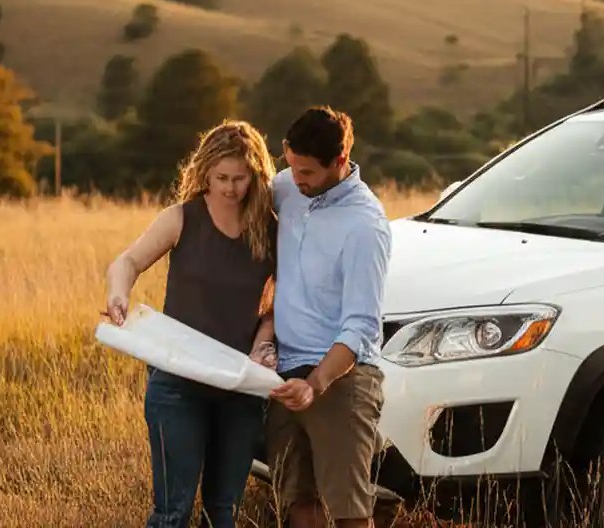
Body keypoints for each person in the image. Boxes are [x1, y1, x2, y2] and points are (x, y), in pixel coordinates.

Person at [104, 119, 280, 528]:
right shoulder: (181, 218)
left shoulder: (271, 228)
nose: (231, 188)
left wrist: (263, 342)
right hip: (177, 384)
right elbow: (127, 262)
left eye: (240, 178)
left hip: (239, 384)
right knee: (172, 512)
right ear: (205, 172)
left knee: (223, 513)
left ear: (256, 175)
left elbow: (275, 306)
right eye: (221, 178)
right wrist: (118, 293)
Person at [263, 106, 392, 528]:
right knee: (297, 505)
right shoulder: (288, 186)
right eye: (292, 166)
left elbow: (361, 327)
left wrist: (315, 383)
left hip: (340, 379)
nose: (297, 180)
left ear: (340, 161)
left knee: (349, 514)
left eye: (308, 173)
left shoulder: (365, 226)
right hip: (283, 373)